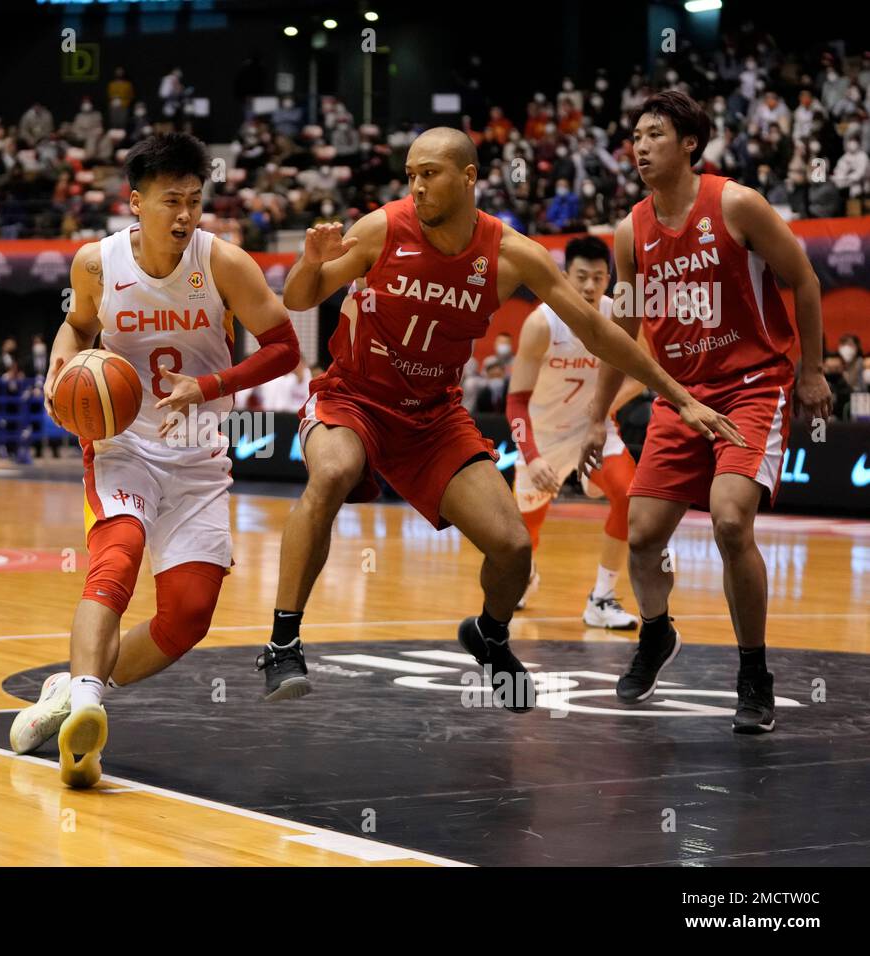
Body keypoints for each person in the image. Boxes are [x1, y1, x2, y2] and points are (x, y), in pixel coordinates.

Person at [262, 126, 743, 712]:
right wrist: (311, 264)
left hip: (433, 417)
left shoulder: (513, 255)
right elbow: (300, 298)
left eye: (430, 173)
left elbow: (598, 331)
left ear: (468, 177)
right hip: (353, 398)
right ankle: (284, 641)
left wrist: (679, 394)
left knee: (514, 547)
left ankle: (489, 634)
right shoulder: (382, 228)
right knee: (333, 472)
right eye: (410, 174)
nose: (416, 186)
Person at [11, 133, 300, 788]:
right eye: (171, 200)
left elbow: (285, 348)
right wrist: (60, 363)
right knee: (118, 551)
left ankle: (73, 691)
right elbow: (80, 325)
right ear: (135, 202)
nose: (185, 215)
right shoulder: (96, 262)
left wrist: (211, 386)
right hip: (124, 442)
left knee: (189, 615)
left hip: (198, 455)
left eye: (195, 201)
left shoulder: (223, 263)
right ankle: (87, 702)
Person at [581, 91, 832, 734]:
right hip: (679, 397)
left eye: (654, 134)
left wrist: (810, 370)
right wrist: (594, 416)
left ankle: (754, 672)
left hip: (751, 385)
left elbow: (803, 279)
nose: (639, 146)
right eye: (634, 135)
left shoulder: (738, 203)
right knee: (641, 535)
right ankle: (658, 633)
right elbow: (624, 326)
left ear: (689, 143)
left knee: (728, 520)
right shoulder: (629, 230)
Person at [506, 236, 647, 625]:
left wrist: (602, 410)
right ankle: (527, 573)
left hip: (594, 433)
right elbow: (515, 402)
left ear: (609, 279)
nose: (589, 286)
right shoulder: (541, 323)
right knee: (522, 536)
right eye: (581, 276)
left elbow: (643, 374)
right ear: (564, 275)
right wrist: (532, 458)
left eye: (599, 278)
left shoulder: (619, 316)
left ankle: (601, 599)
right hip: (545, 437)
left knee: (629, 496)